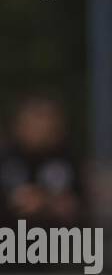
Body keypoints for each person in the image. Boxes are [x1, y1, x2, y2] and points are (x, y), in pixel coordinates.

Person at [0, 95, 85, 232]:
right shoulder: (6, 158)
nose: (40, 129)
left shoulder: (67, 159)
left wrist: (45, 202)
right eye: (35, 120)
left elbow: (78, 205)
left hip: (55, 243)